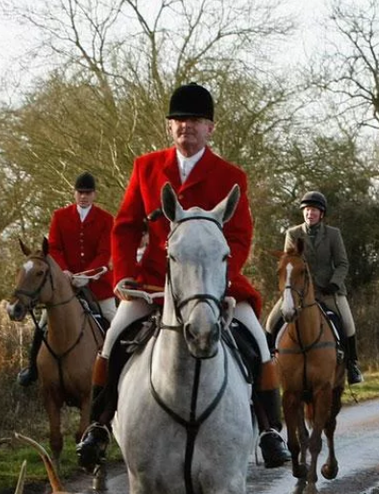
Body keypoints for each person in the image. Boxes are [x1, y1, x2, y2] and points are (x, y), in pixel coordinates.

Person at [75, 83, 291, 470]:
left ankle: (269, 430)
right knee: (112, 339)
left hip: (215, 286)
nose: (185, 127)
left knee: (257, 341)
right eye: (178, 120)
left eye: (195, 121)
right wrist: (124, 276)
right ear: (168, 127)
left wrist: (220, 283)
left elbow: (240, 237)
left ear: (210, 128)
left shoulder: (230, 175)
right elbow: (125, 227)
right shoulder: (146, 167)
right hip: (153, 284)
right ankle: (98, 425)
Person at [18, 171, 116, 387]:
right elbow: (54, 247)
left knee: (113, 319)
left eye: (88, 193)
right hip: (63, 284)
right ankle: (32, 369)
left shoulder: (106, 219)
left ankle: (117, 371)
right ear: (74, 193)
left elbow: (104, 252)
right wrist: (64, 273)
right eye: (80, 192)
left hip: (97, 285)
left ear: (94, 195)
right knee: (43, 324)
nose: (84, 196)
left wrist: (86, 276)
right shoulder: (60, 216)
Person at [264, 191, 364, 384]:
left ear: (322, 214)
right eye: (307, 210)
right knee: (270, 322)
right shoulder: (293, 234)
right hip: (299, 290)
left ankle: (352, 365)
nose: (310, 214)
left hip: (329, 291)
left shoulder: (333, 234)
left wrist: (334, 283)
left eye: (314, 210)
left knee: (349, 325)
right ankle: (268, 363)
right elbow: (288, 261)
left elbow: (343, 263)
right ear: (303, 212)